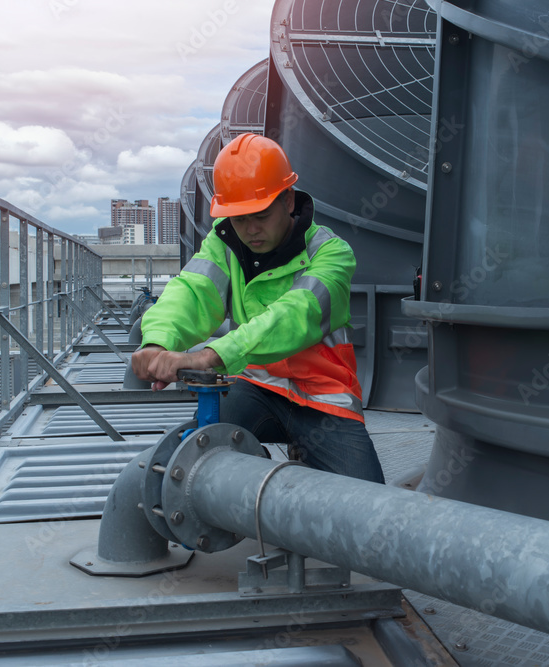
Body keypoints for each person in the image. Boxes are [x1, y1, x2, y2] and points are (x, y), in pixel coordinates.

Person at [131, 133, 385, 484]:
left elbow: (297, 314)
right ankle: (259, 477)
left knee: (367, 504)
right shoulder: (224, 247)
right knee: (197, 463)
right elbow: (191, 291)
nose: (250, 231)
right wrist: (158, 341)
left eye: (261, 216)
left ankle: (286, 465)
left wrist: (210, 355)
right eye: (238, 219)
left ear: (288, 201)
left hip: (324, 394)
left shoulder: (331, 253)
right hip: (256, 385)